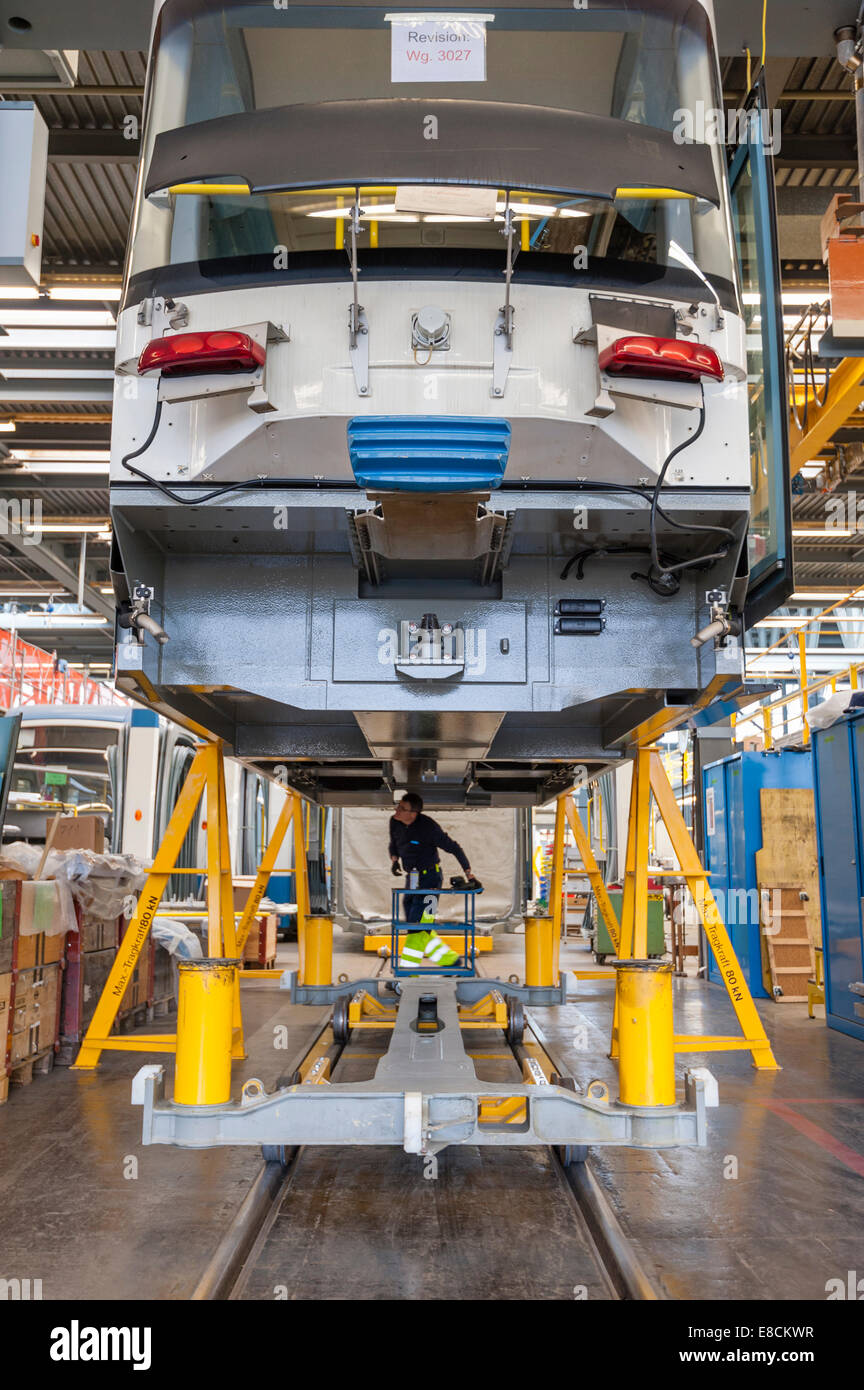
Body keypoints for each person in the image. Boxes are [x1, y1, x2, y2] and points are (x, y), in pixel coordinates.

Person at [389, 793, 479, 925]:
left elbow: (454, 848)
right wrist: (395, 860)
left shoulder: (429, 827)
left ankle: (419, 943)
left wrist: (469, 874)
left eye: (402, 808)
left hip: (430, 877)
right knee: (409, 913)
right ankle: (423, 943)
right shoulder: (395, 822)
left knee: (422, 919)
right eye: (398, 806)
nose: (397, 810)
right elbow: (394, 843)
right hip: (412, 877)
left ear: (413, 814)